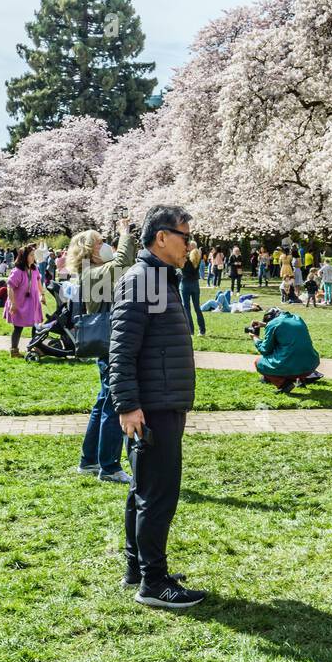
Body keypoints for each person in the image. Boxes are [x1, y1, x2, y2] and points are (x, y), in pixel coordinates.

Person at [108, 204, 206, 610]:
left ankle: (139, 566)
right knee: (158, 494)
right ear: (161, 237)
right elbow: (122, 350)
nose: (190, 244)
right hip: (152, 405)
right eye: (185, 236)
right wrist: (128, 404)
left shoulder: (159, 277)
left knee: (144, 489)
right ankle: (154, 581)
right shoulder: (144, 279)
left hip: (161, 400)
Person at [69, 218, 139, 484]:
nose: (106, 244)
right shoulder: (92, 272)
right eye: (101, 242)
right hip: (111, 345)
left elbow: (124, 265)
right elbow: (121, 265)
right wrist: (125, 234)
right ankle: (109, 466)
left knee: (103, 401)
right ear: (90, 250)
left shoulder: (93, 271)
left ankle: (89, 460)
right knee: (113, 401)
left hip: (104, 344)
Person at [250, 308, 321, 393]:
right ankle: (301, 381)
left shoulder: (273, 323)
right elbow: (283, 325)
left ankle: (284, 385)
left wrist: (255, 338)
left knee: (258, 362)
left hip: (290, 367)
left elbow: (264, 350)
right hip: (311, 365)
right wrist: (266, 325)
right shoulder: (298, 318)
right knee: (296, 350)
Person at [4, 245, 44, 358]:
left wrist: (43, 294)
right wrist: (12, 303)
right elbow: (10, 287)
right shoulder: (17, 271)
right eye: (31, 255)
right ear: (24, 256)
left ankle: (35, 348)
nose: (33, 257)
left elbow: (38, 281)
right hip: (20, 303)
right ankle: (14, 351)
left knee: (36, 326)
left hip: (33, 303)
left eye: (34, 255)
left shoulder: (34, 269)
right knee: (18, 327)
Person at [179, 240, 206, 336]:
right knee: (197, 308)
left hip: (185, 283)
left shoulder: (186, 258)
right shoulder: (198, 258)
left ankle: (190, 330)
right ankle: (202, 330)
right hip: (195, 284)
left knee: (186, 308)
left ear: (190, 247)